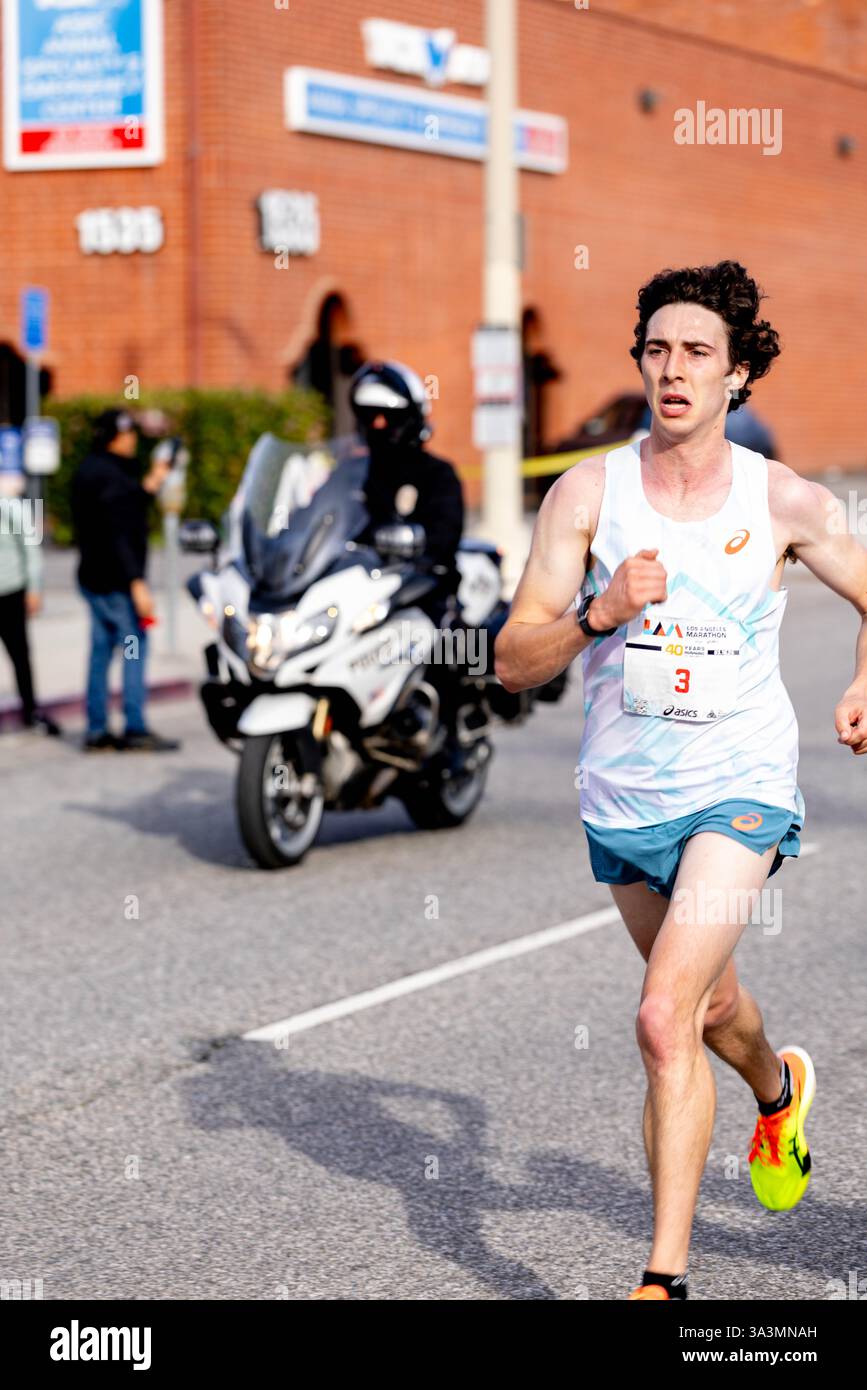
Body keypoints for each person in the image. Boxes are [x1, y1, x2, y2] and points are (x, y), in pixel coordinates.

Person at [495, 260, 867, 1300]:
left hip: (740, 784)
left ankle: (663, 1281)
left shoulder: (783, 499)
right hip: (623, 798)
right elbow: (512, 660)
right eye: (657, 349)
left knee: (663, 1013)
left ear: (737, 372)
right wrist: (594, 616)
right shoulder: (585, 495)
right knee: (711, 1007)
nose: (674, 369)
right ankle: (776, 1084)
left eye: (698, 351)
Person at [348, 360, 470, 776]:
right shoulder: (352, 475)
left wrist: (418, 547)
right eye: (369, 418)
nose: (378, 426)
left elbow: (445, 538)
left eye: (387, 417)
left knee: (450, 645)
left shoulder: (437, 475)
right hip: (362, 589)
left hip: (424, 591)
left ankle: (448, 744)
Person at [71, 408, 180, 752]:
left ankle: (96, 729)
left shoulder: (92, 470)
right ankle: (135, 726)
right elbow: (117, 532)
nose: (133, 439)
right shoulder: (111, 477)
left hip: (93, 578)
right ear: (115, 437)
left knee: (101, 651)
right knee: (134, 648)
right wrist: (137, 583)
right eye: (128, 433)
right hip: (118, 582)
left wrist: (151, 483)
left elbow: (126, 507)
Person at [0, 461, 60, 735]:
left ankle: (30, 710)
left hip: (10, 590)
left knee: (20, 654)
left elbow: (31, 549)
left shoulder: (10, 504)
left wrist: (35, 588)